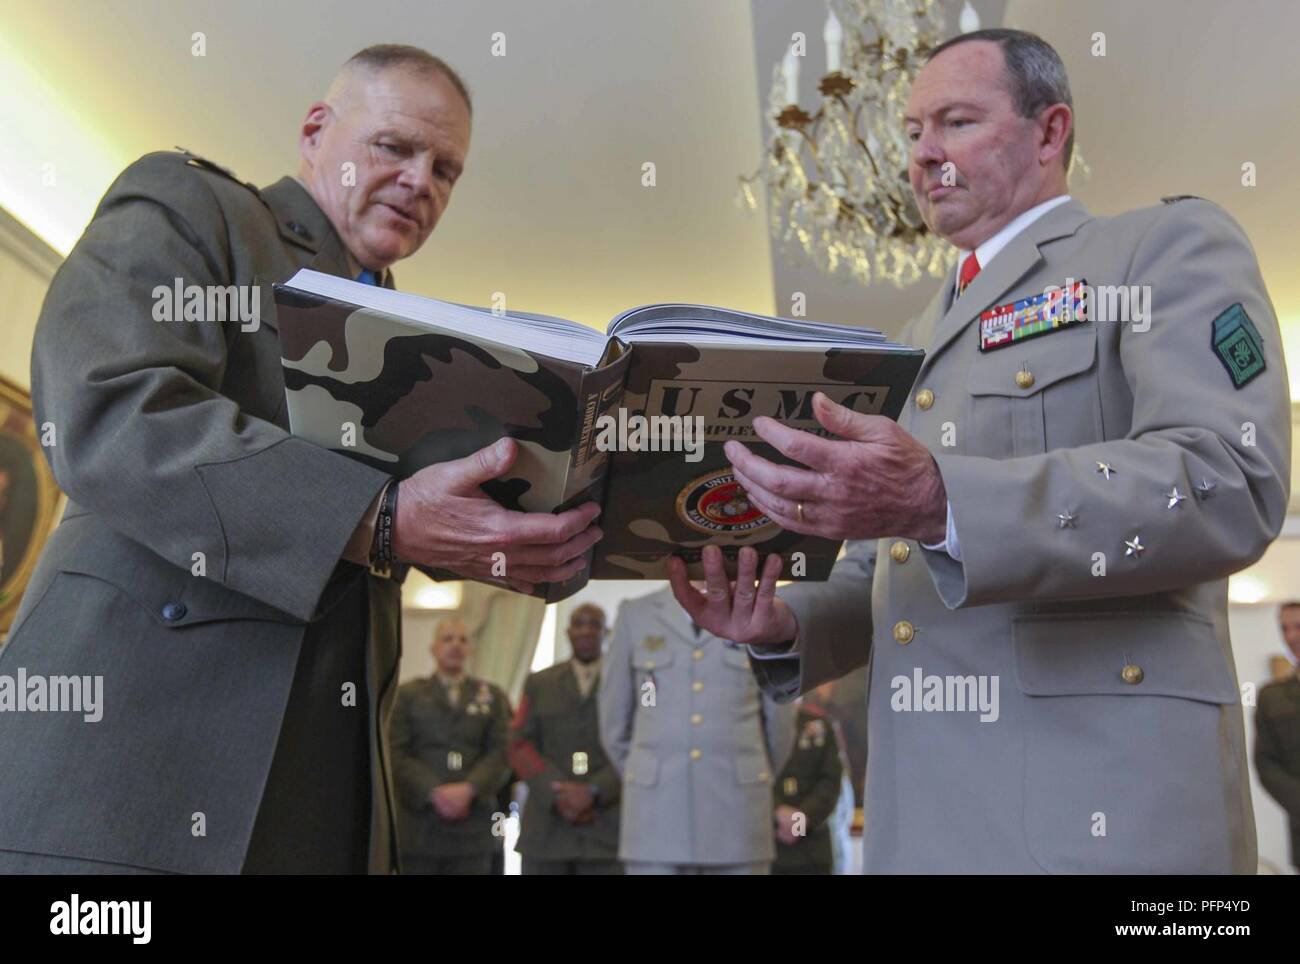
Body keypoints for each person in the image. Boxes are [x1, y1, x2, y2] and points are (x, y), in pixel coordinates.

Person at [670, 28, 1289, 873]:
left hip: (1106, 814)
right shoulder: (907, 343)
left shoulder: (1159, 248)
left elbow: (1228, 480)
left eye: (955, 122)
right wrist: (782, 622)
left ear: (1050, 131)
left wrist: (942, 498)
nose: (924, 155)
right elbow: (892, 568)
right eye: (913, 132)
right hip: (923, 820)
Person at [0, 43, 600, 874]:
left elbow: (403, 531)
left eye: (447, 169)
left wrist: (512, 532)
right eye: (395, 147)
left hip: (321, 789)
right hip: (131, 771)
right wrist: (378, 518)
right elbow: (106, 410)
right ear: (316, 131)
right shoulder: (191, 202)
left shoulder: (422, 342)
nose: (421, 181)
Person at [599, 586, 796, 874]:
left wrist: (755, 773)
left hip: (737, 818)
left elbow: (779, 724)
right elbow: (614, 721)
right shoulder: (636, 614)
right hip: (654, 818)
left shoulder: (758, 611)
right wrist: (643, 771)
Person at [509, 603, 622, 874]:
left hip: (607, 830)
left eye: (594, 624)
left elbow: (641, 742)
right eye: (579, 624)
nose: (586, 631)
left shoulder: (628, 680)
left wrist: (594, 790)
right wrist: (557, 791)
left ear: (607, 632)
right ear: (567, 632)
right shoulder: (539, 683)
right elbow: (518, 744)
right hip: (547, 831)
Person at [391, 619, 511, 875]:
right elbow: (395, 753)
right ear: (433, 648)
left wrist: (469, 789)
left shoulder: (493, 696)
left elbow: (502, 751)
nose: (455, 645)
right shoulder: (406, 695)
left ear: (471, 650)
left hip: (474, 830)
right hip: (419, 829)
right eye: (448, 639)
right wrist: (434, 791)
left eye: (462, 639)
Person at [772, 700, 844, 875]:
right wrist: (776, 811)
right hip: (766, 847)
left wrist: (799, 821)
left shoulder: (820, 726)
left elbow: (831, 781)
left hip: (812, 850)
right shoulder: (751, 728)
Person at [1255, 601, 1300, 870]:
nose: (1290, 636)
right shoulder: (1271, 697)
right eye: (1284, 628)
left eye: (1298, 626)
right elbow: (1267, 764)